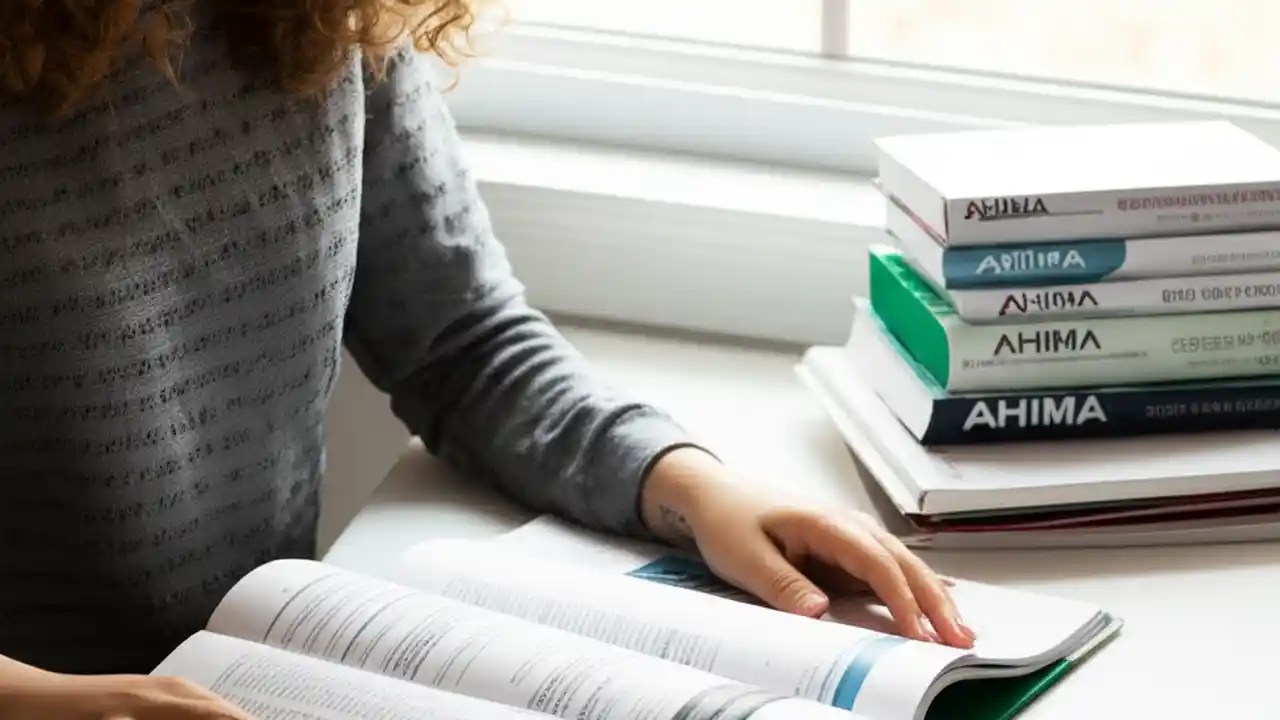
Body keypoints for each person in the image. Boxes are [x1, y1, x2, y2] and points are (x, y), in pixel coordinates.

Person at [0, 0, 974, 716]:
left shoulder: (310, 18)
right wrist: (56, 702)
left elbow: (460, 344)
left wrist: (685, 487)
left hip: (266, 672)